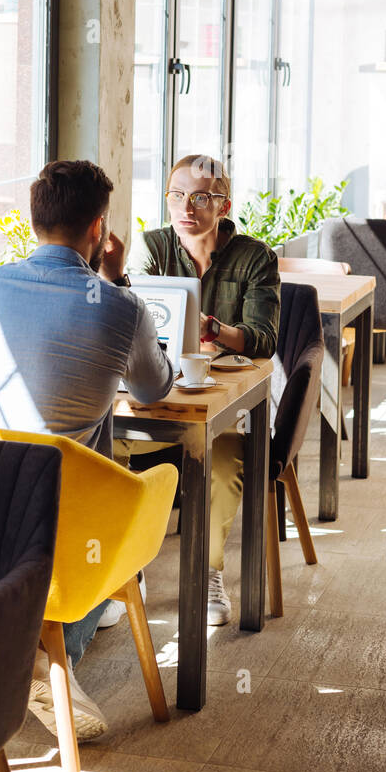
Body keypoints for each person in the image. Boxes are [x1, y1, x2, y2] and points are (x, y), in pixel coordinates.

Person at [0, 159, 173, 741]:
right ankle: (52, 657)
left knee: (72, 456)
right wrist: (119, 282)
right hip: (63, 522)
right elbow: (153, 389)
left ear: (33, 222)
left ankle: (53, 634)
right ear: (98, 229)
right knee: (103, 475)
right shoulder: (121, 308)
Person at [123, 153, 280, 624]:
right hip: (160, 393)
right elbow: (136, 316)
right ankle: (127, 569)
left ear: (224, 204)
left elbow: (265, 340)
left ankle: (209, 571)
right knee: (107, 447)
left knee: (229, 459)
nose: (186, 206)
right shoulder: (152, 248)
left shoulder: (255, 257)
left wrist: (217, 331)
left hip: (225, 403)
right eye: (176, 195)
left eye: (200, 197)